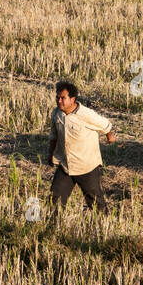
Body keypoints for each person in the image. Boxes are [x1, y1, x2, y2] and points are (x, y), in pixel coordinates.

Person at [47, 81, 114, 212]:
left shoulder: (86, 114)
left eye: (63, 98)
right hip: (66, 165)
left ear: (73, 99)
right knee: (55, 199)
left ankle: (104, 227)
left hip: (86, 166)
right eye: (57, 97)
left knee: (96, 204)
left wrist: (109, 136)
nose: (59, 101)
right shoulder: (57, 113)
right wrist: (51, 154)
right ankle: (52, 226)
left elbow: (105, 124)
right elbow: (53, 136)